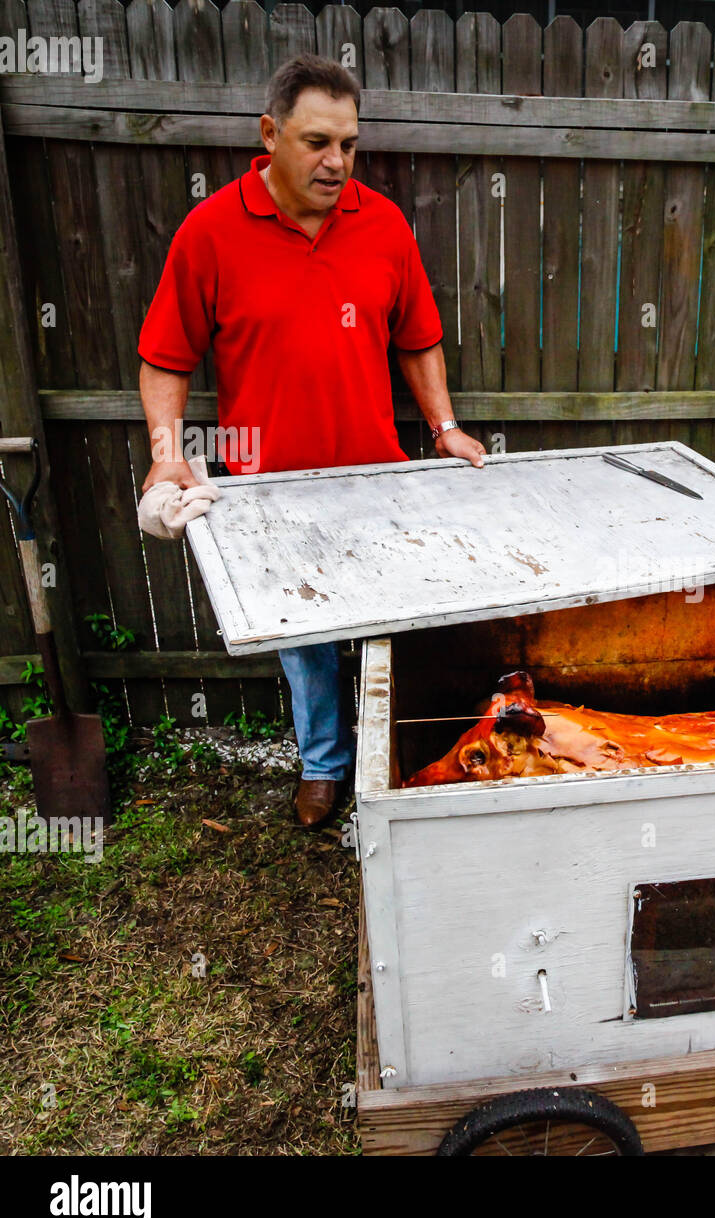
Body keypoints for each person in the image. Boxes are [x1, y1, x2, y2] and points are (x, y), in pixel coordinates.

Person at [137, 54, 484, 828]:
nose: (336, 162)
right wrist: (168, 448)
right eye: (318, 142)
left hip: (376, 478)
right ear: (271, 134)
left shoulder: (384, 223)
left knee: (395, 626)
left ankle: (393, 766)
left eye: (349, 145)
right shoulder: (210, 232)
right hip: (269, 487)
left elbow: (418, 339)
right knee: (307, 643)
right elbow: (164, 355)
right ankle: (324, 765)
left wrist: (447, 427)